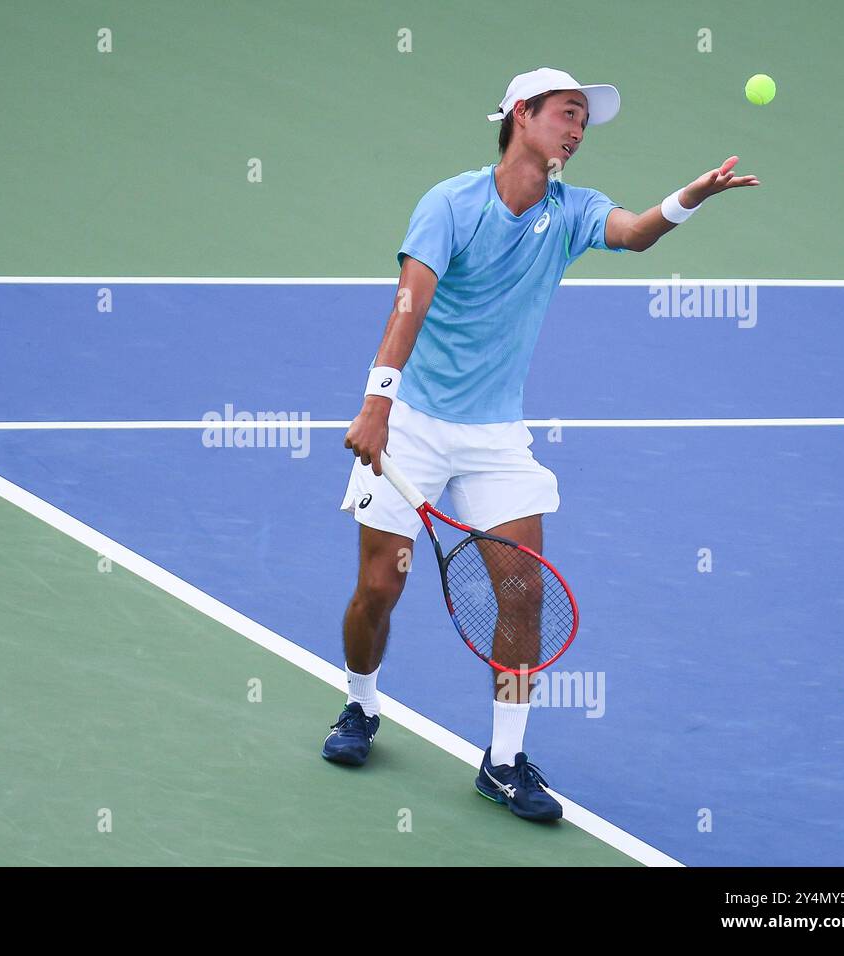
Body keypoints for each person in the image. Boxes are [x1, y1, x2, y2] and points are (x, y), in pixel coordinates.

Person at [323, 67, 759, 821]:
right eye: (568, 113)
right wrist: (377, 407)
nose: (579, 129)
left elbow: (634, 233)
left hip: (496, 437)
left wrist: (691, 198)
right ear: (521, 115)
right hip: (414, 423)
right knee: (378, 590)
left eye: (585, 119)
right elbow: (409, 305)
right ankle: (360, 704)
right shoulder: (449, 204)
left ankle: (502, 760)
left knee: (522, 589)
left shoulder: (575, 210)